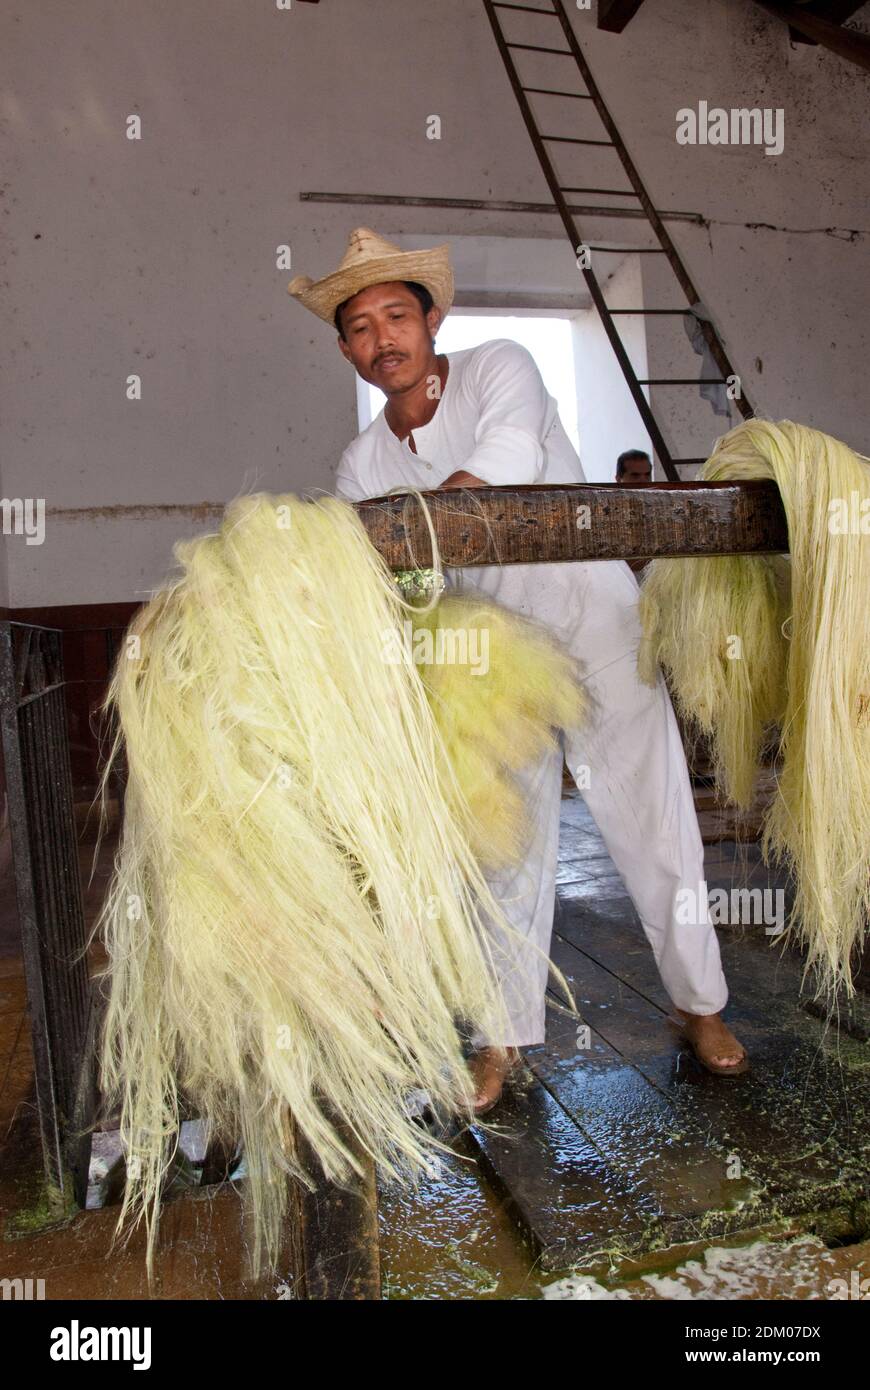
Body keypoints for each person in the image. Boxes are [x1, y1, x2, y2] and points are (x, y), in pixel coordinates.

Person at [288, 228, 748, 1110]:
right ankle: (501, 1042)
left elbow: (506, 469)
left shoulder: (503, 366)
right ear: (344, 347)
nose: (382, 339)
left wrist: (405, 531)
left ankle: (701, 1007)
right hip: (487, 662)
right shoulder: (361, 463)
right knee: (504, 849)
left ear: (432, 320)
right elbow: (375, 582)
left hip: (592, 623)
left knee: (652, 823)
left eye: (396, 316)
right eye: (358, 327)